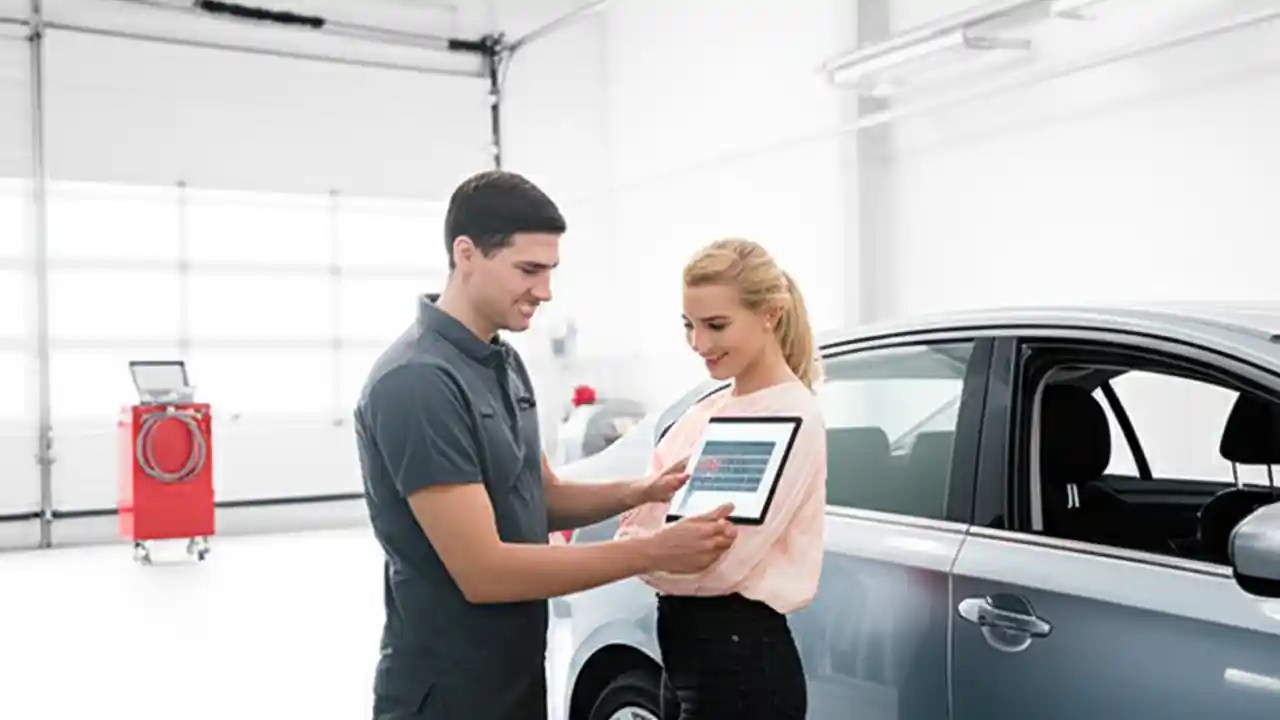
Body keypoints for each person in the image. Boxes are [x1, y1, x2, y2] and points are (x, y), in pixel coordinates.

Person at [352, 170, 739, 720]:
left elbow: (541, 495)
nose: (545, 291)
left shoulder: (503, 362)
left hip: (516, 675)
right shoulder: (417, 382)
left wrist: (641, 490)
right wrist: (651, 553)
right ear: (466, 254)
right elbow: (483, 571)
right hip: (447, 692)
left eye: (551, 271)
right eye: (528, 270)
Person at [616, 238, 828, 719]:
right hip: (683, 660)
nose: (699, 344)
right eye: (689, 325)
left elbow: (717, 563)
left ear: (770, 314)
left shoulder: (787, 416)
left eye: (716, 326)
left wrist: (647, 550)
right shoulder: (705, 411)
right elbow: (638, 526)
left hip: (741, 668)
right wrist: (651, 545)